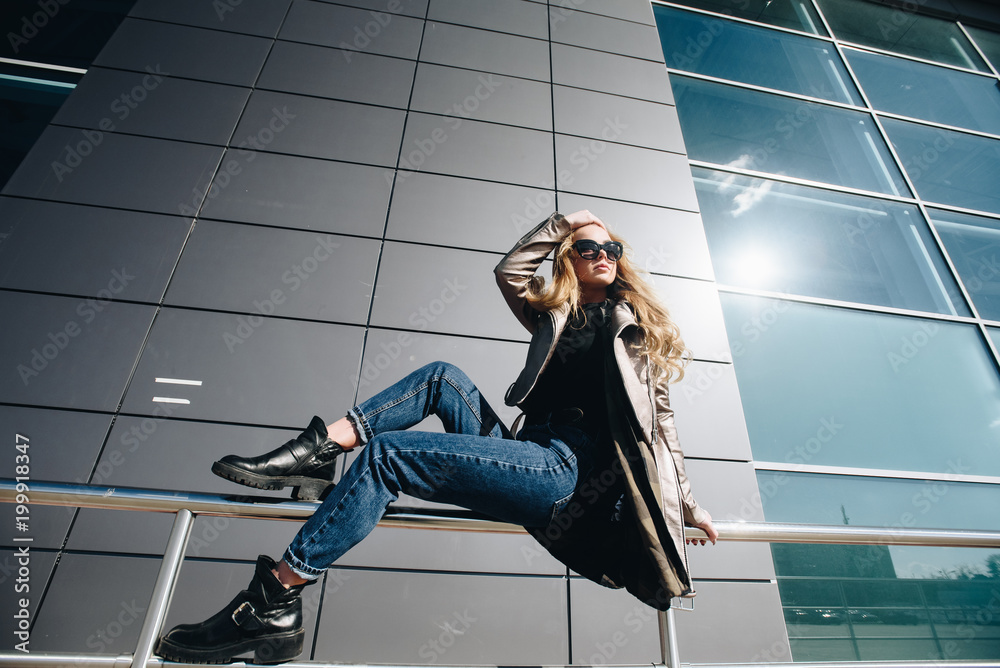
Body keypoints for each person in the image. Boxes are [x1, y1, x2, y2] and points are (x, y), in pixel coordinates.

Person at [155, 210, 718, 665]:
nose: (601, 256)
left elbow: (660, 429)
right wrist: (566, 220)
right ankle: (322, 449)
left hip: (563, 470)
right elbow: (511, 271)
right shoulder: (556, 316)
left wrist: (685, 505)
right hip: (528, 450)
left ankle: (274, 599)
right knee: (443, 376)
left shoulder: (631, 329)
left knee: (388, 458)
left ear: (622, 263)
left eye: (610, 249)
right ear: (569, 258)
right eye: (587, 248)